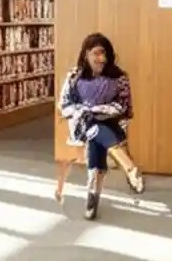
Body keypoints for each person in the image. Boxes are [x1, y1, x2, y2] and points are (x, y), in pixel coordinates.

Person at [59, 33, 144, 220]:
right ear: (86, 54)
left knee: (96, 132)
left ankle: (92, 194)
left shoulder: (119, 77)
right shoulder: (74, 76)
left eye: (104, 54)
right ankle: (128, 166)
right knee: (92, 124)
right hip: (82, 124)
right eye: (96, 54)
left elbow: (124, 106)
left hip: (112, 122)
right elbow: (64, 105)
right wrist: (83, 111)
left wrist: (97, 110)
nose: (101, 59)